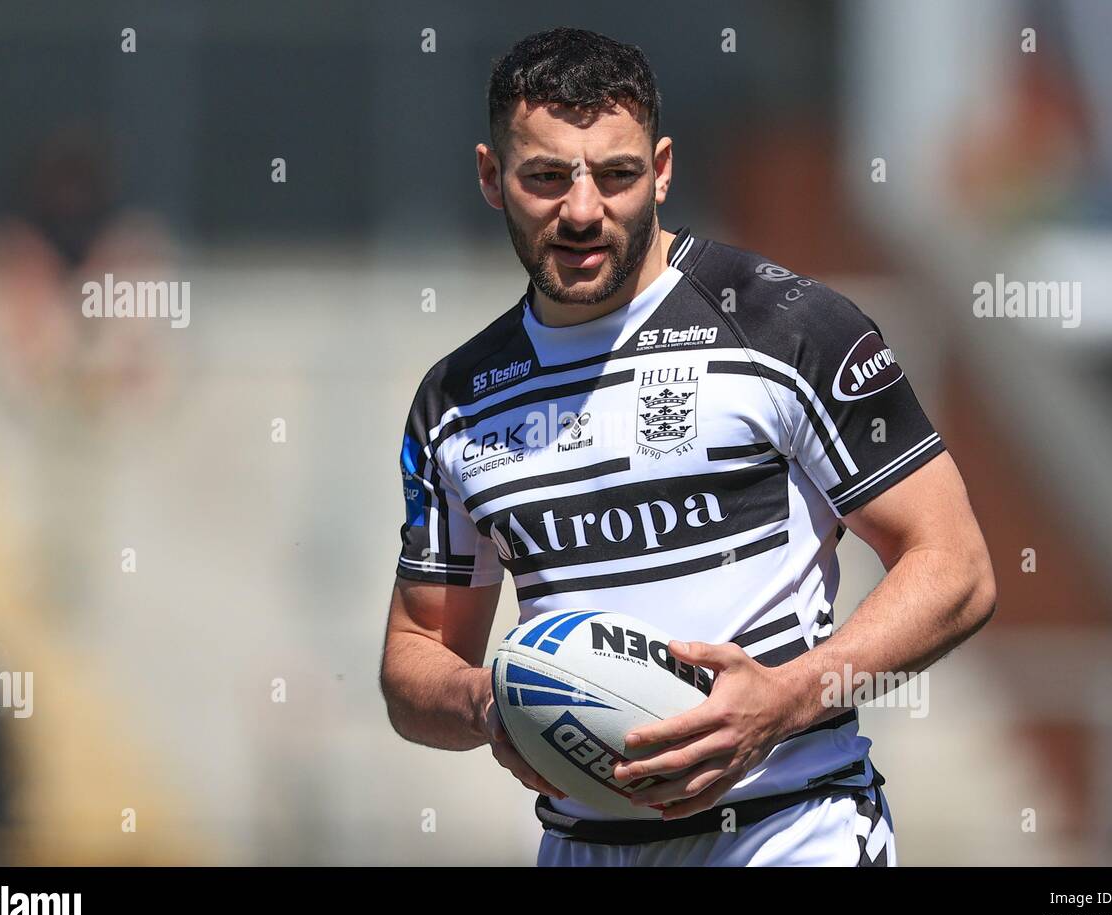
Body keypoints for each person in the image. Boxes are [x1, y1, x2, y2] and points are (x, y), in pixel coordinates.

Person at [380, 27, 996, 866]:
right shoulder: (455, 401)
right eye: (547, 177)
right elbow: (415, 658)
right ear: (492, 177)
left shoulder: (787, 328)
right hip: (581, 847)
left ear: (662, 170)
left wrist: (786, 699)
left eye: (617, 175)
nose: (583, 211)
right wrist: (490, 705)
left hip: (792, 832)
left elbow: (957, 568)